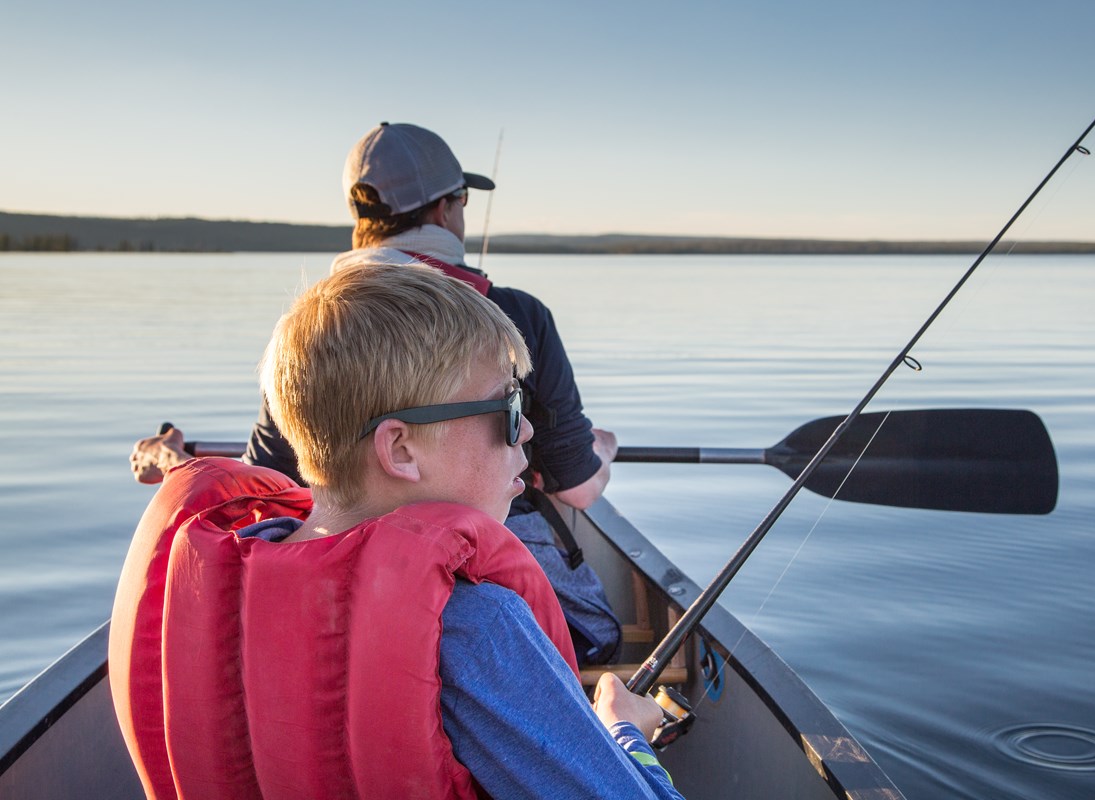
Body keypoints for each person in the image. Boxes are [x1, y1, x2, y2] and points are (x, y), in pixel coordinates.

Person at [109, 262, 684, 798]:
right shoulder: (474, 626)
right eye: (507, 410)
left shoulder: (205, 587)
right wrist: (623, 732)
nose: (529, 429)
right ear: (401, 449)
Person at [130, 122, 622, 664]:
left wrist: (177, 463)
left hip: (340, 594)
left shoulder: (305, 332)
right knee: (596, 632)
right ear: (445, 210)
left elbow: (267, 482)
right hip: (502, 579)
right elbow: (577, 489)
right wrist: (600, 452)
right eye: (461, 199)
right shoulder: (519, 316)